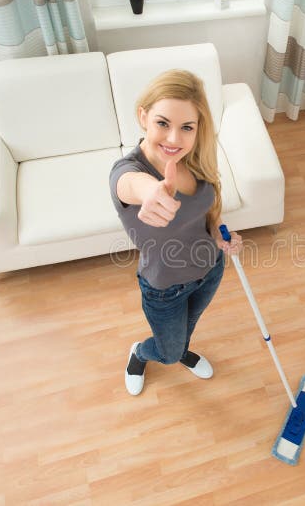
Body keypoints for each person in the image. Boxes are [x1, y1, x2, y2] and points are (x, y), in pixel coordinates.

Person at [108, 69, 242, 396]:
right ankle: (141, 352)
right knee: (167, 353)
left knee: (185, 333)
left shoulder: (196, 158)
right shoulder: (129, 173)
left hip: (210, 269)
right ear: (144, 116)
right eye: (163, 123)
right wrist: (152, 193)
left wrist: (220, 231)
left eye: (186, 128)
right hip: (165, 288)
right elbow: (130, 186)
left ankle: (180, 348)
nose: (173, 139)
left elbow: (209, 209)